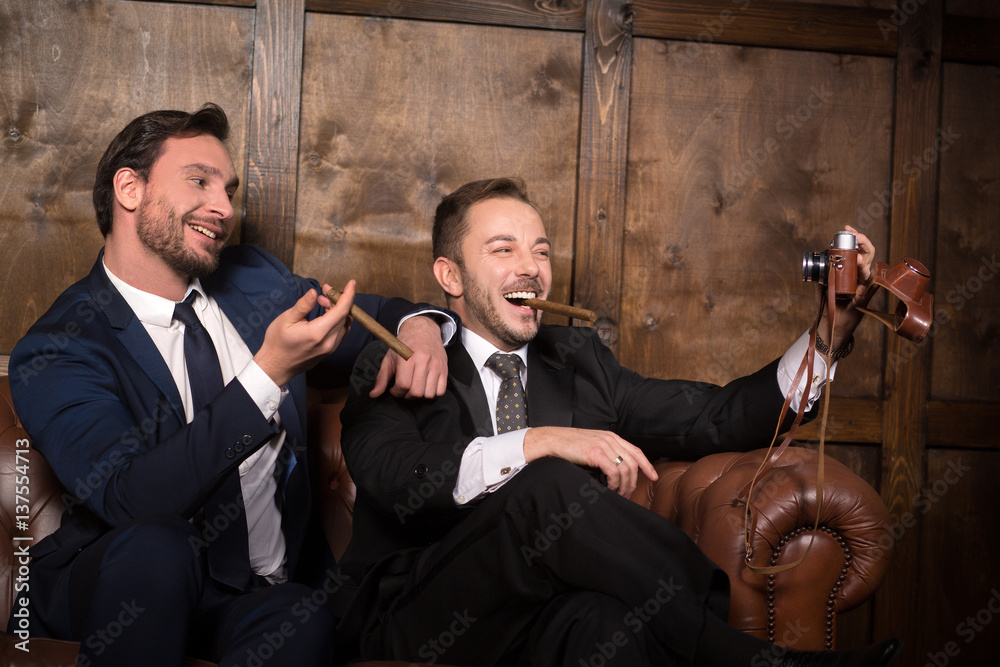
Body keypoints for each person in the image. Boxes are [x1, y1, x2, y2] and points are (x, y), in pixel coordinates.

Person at [334, 177, 903, 666]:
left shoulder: (581, 363)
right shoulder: (400, 358)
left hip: (538, 616)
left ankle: (709, 640)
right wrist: (537, 441)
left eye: (542, 251)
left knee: (605, 624)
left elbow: (717, 417)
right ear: (451, 276)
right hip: (419, 614)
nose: (531, 270)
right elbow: (393, 475)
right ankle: (737, 655)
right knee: (548, 479)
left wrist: (830, 335)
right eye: (503, 250)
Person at [7, 103, 455, 667]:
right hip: (121, 588)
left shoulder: (254, 282)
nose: (222, 207)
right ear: (130, 189)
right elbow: (128, 499)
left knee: (297, 616)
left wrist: (421, 328)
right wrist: (266, 375)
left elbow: (378, 314)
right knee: (159, 546)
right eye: (199, 181)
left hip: (245, 601)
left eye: (229, 189)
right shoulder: (62, 344)